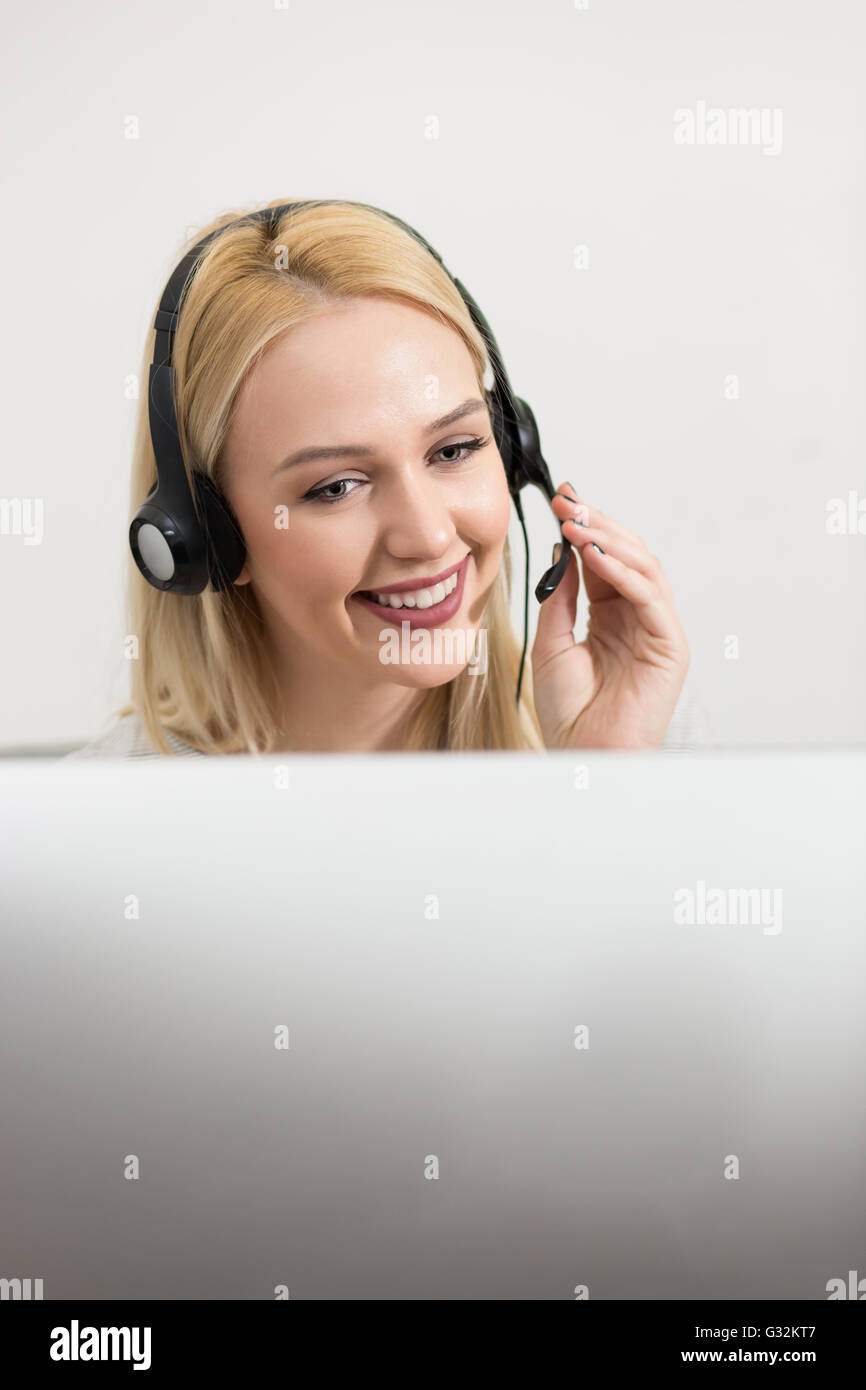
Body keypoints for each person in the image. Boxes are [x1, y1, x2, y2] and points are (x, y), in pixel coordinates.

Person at [64, 199, 712, 760]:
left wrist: (598, 784)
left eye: (455, 450)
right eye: (336, 487)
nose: (428, 536)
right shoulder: (86, 845)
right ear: (208, 535)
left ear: (512, 449)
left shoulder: (625, 752)